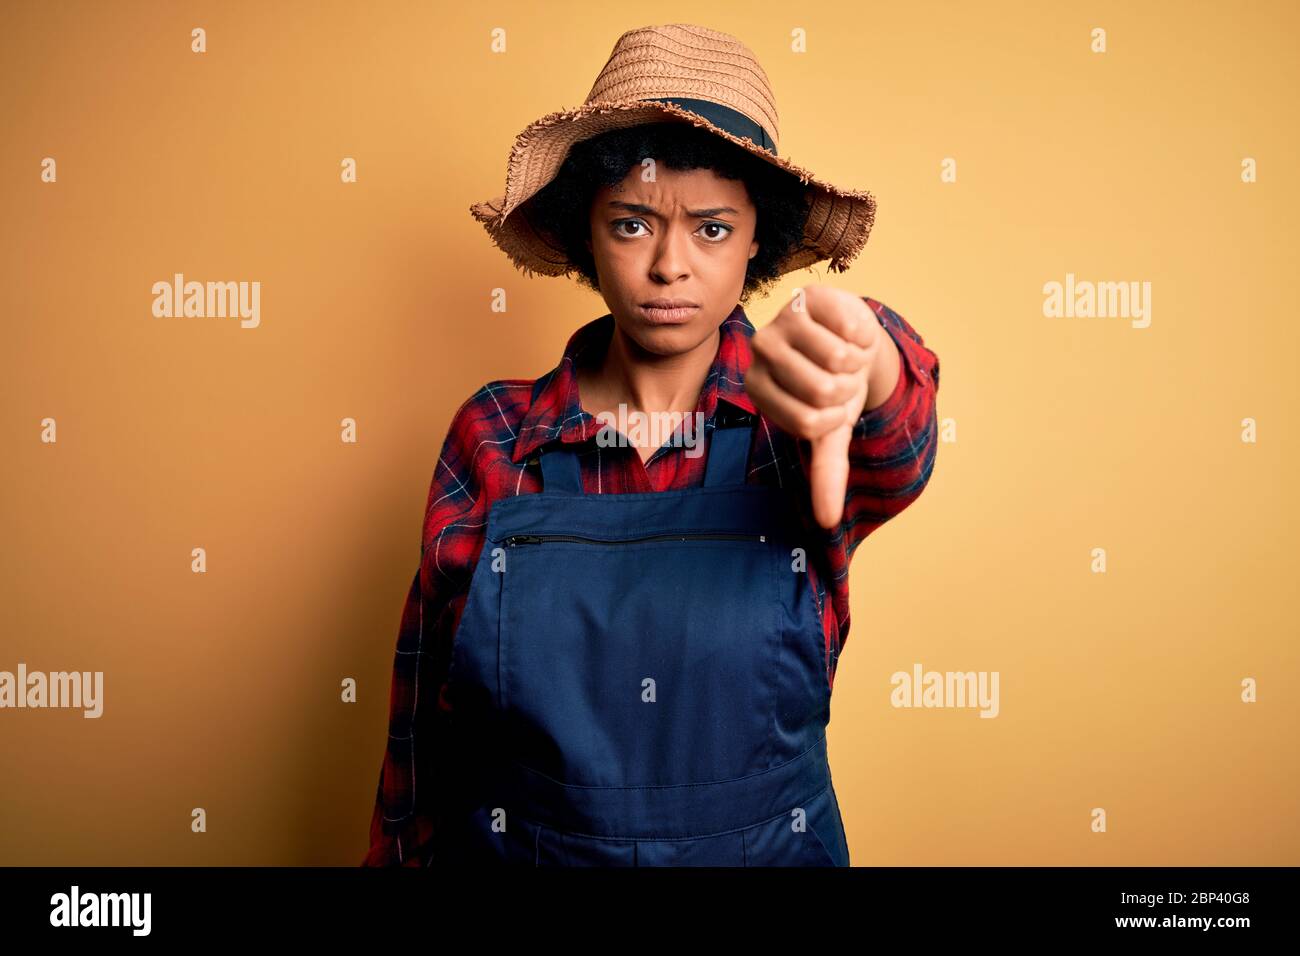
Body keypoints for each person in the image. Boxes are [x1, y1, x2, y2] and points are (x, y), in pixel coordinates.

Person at [363, 22, 940, 866]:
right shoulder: (492, 434)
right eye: (633, 225)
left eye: (711, 229)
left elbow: (901, 446)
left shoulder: (799, 426)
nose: (671, 265)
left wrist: (872, 354)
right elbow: (420, 735)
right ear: (585, 236)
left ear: (757, 240)